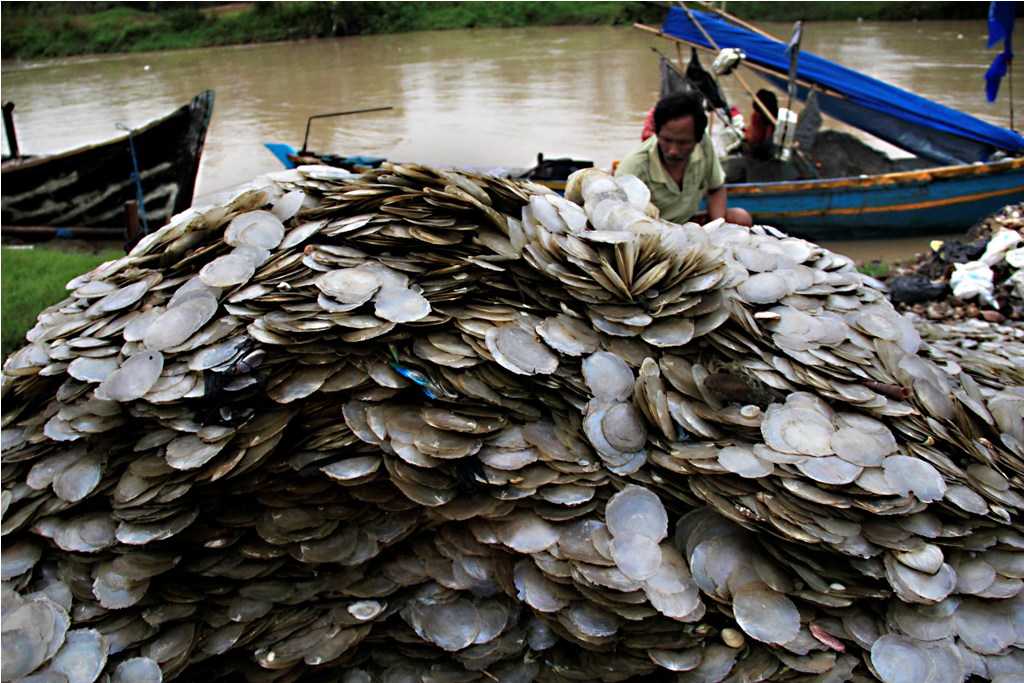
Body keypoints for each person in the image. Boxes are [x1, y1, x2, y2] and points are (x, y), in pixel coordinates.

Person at [615, 90, 752, 227]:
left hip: (688, 223)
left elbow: (716, 188)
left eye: (683, 143)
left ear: (697, 139)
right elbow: (623, 222)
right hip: (652, 233)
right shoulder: (633, 167)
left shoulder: (704, 143)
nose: (673, 151)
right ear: (657, 132)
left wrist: (717, 227)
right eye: (667, 140)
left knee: (740, 217)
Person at [722, 89, 801, 183]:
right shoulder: (792, 161)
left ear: (769, 129)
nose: (748, 127)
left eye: (754, 123)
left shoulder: (742, 165)